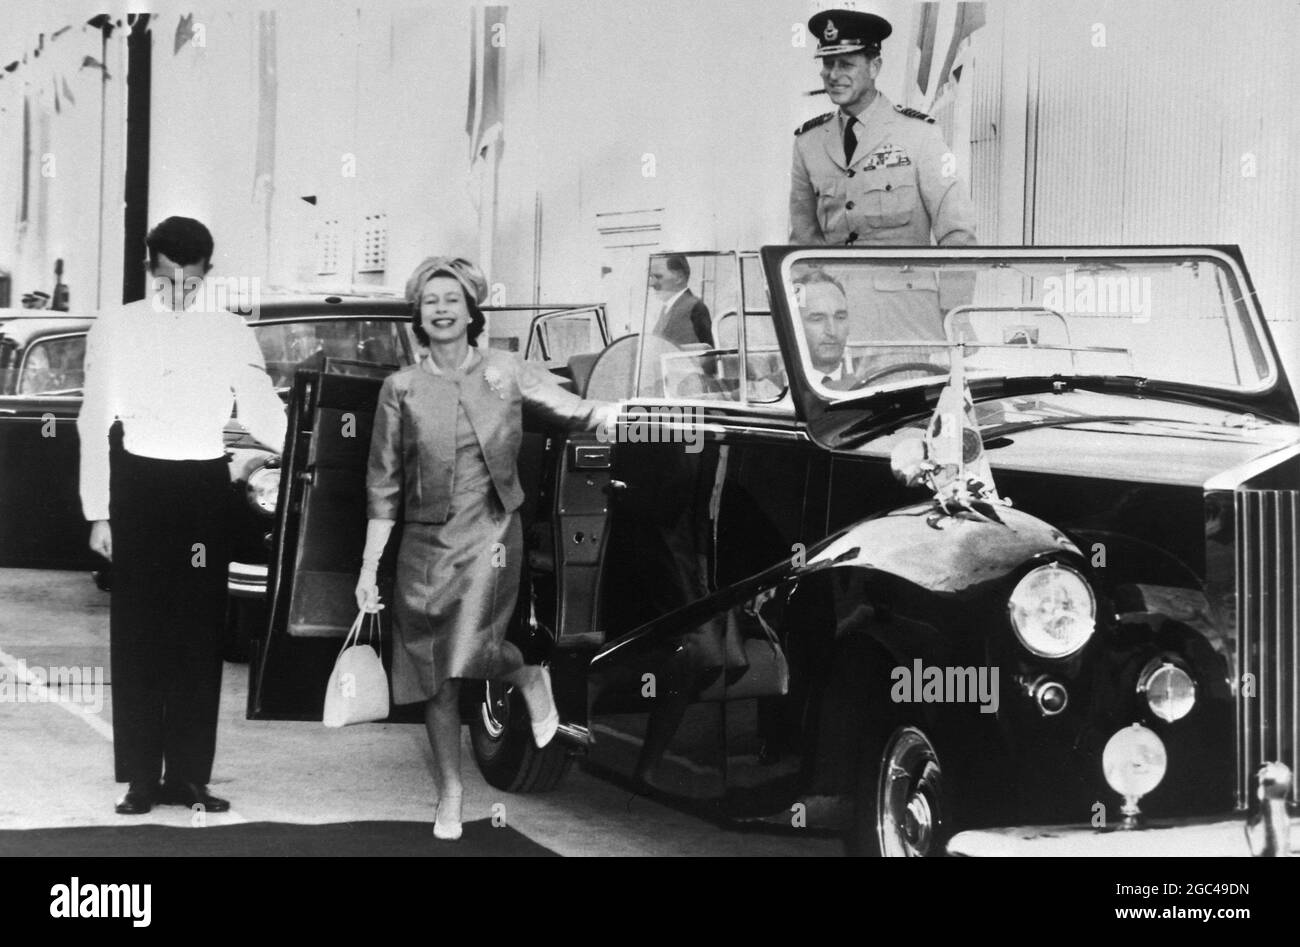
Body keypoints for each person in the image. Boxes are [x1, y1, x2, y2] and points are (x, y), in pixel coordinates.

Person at [354, 256, 615, 841]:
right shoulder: (400, 389)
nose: (442, 309)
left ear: (472, 310)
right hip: (423, 544)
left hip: (492, 534)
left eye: (452, 299)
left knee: (471, 650)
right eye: (430, 301)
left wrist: (641, 413)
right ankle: (450, 790)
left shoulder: (506, 370)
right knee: (435, 676)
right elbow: (383, 484)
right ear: (418, 315)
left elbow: (578, 413)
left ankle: (525, 677)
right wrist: (371, 566)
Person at [78, 216, 287, 815]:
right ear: (150, 268)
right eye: (167, 281)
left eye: (189, 284)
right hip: (138, 487)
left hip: (201, 486)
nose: (177, 294)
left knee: (197, 635)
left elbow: (263, 411)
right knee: (139, 636)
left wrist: (306, 452)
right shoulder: (116, 326)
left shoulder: (229, 332)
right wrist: (100, 512)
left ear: (207, 275)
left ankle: (191, 777)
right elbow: (94, 422)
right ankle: (142, 779)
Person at [789, 9, 977, 248]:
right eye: (828, 64)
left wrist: (951, 286)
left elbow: (958, 233)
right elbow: (803, 244)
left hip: (905, 285)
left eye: (846, 65)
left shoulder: (919, 135)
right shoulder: (808, 143)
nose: (833, 75)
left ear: (874, 67)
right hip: (831, 286)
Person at [796, 269, 853, 386]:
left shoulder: (872, 385)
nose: (832, 331)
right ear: (794, 324)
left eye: (840, 317)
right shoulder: (771, 390)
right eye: (817, 319)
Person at [648, 254, 713, 347]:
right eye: (651, 277)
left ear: (679, 278)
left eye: (658, 276)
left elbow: (700, 355)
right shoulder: (668, 307)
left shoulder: (693, 307)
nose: (651, 283)